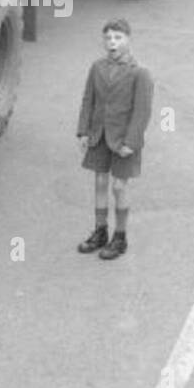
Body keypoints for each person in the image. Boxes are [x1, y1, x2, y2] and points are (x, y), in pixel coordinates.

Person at [75, 19, 153, 261]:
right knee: (100, 182)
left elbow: (142, 111)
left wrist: (132, 141)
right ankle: (100, 231)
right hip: (99, 134)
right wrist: (83, 131)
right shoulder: (97, 67)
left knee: (119, 186)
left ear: (128, 40)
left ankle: (120, 237)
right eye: (108, 38)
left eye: (117, 38)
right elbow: (88, 99)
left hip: (124, 140)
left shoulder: (140, 73)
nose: (112, 43)